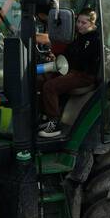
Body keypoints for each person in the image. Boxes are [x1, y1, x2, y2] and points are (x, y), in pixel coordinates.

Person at [38, 8, 100, 139]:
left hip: (85, 75)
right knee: (39, 79)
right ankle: (45, 116)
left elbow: (82, 57)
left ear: (92, 24)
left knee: (50, 86)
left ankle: (55, 124)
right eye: (78, 22)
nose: (79, 25)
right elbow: (69, 52)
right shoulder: (79, 36)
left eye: (84, 23)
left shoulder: (95, 39)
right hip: (72, 71)